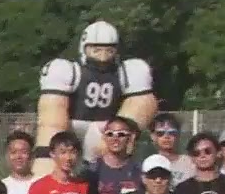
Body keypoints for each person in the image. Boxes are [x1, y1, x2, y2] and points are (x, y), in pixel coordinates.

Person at [34, 20, 157, 173]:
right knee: (58, 164)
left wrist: (121, 132)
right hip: (71, 126)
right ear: (84, 47)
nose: (103, 56)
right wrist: (45, 156)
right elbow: (52, 121)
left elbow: (142, 104)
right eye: (97, 49)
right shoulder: (68, 70)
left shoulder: (127, 71)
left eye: (108, 50)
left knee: (111, 167)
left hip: (106, 130)